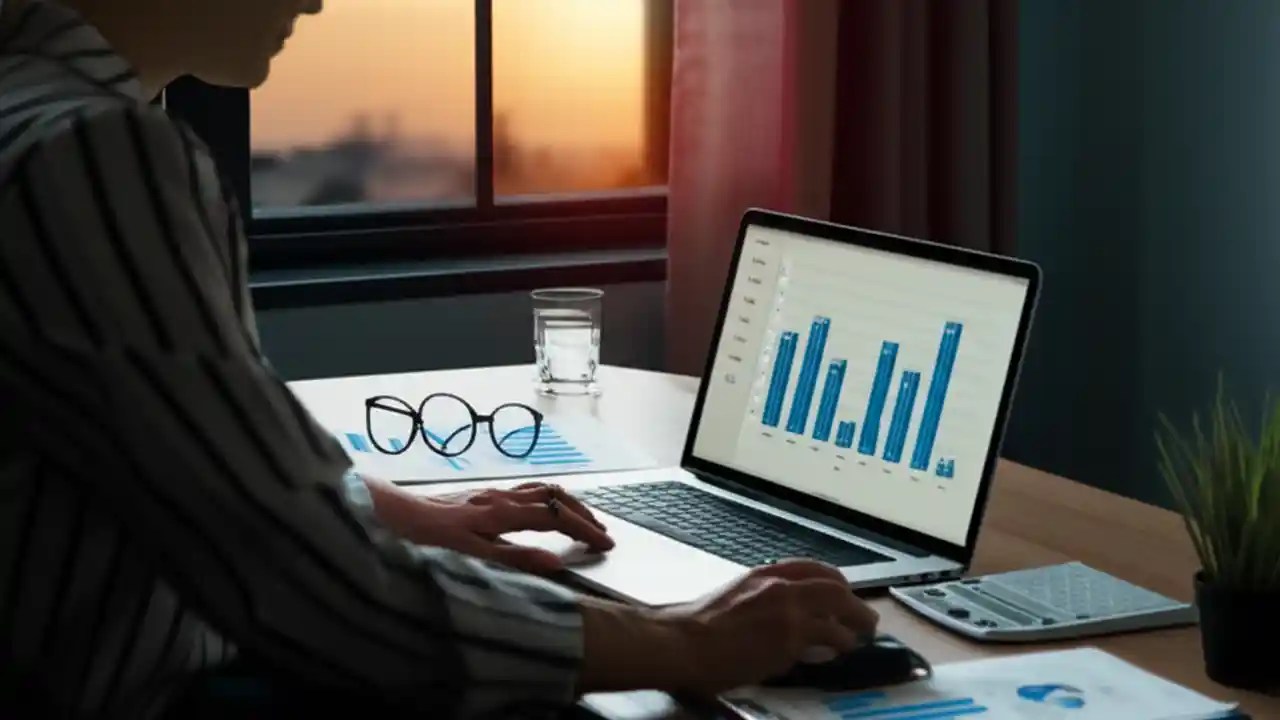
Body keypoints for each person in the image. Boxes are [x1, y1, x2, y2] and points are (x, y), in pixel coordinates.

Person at [0, 0, 879, 717]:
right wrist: (692, 640)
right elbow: (322, 596)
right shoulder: (87, 153)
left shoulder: (30, 107)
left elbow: (186, 462)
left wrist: (408, 514)